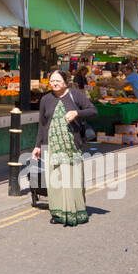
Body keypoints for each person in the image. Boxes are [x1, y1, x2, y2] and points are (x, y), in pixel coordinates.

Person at [32, 70, 96, 227]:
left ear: (66, 82)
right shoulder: (46, 99)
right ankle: (57, 213)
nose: (54, 83)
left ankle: (76, 212)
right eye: (52, 81)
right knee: (56, 180)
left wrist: (76, 113)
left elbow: (93, 110)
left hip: (71, 146)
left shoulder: (75, 94)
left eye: (58, 80)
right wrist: (37, 146)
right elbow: (42, 124)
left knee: (72, 179)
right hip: (52, 146)